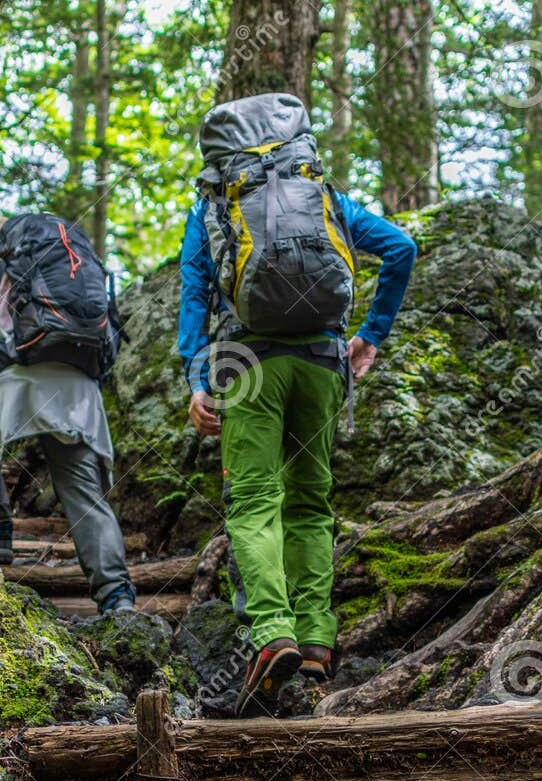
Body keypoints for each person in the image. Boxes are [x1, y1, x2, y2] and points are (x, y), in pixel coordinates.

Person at [176, 94, 416, 715]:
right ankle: (314, 642)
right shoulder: (325, 198)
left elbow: (196, 295)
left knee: (256, 500)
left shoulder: (214, 206)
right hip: (323, 362)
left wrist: (198, 378)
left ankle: (270, 634)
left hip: (249, 364)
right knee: (312, 503)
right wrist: (372, 335)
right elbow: (401, 250)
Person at [0, 213, 136, 614]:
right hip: (78, 388)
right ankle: (116, 595)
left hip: (17, 384)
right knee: (83, 490)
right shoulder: (63, 267)